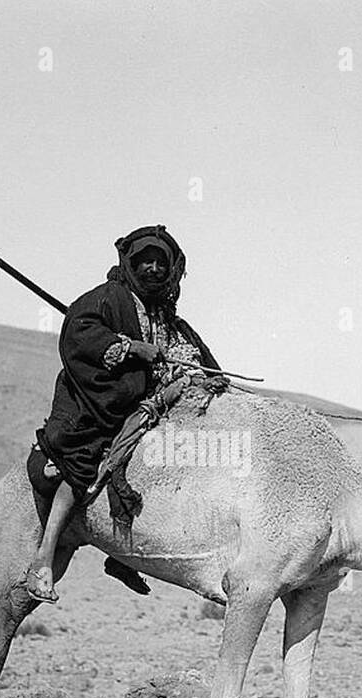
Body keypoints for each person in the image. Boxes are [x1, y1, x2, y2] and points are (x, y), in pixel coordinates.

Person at [24, 225, 222, 603]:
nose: (151, 268)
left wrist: (202, 374)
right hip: (98, 402)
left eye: (159, 262)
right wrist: (130, 347)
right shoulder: (106, 299)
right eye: (143, 260)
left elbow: (191, 353)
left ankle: (125, 556)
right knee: (84, 466)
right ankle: (43, 559)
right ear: (129, 263)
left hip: (149, 406)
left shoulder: (166, 315)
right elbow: (80, 335)